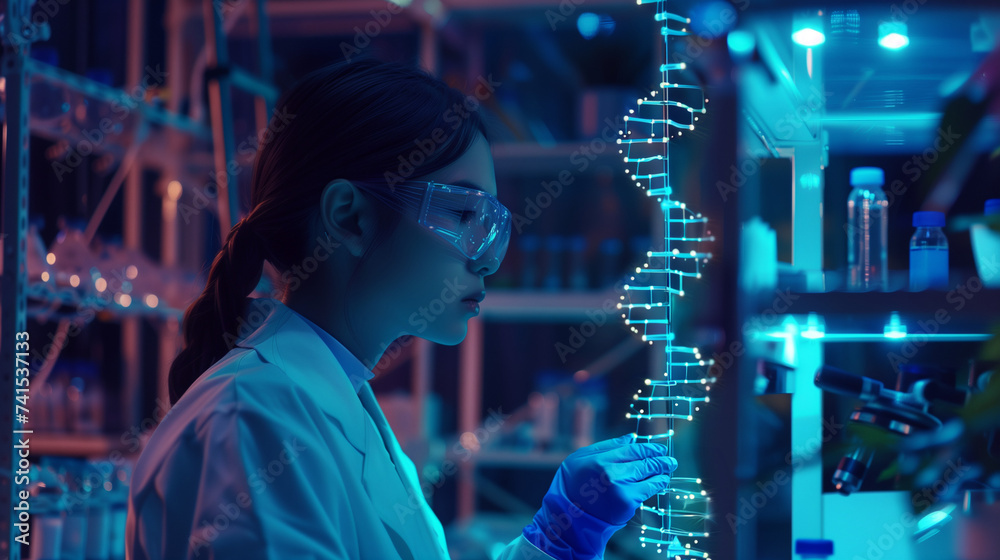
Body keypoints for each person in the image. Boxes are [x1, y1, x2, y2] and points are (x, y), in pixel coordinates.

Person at [125, 57, 678, 560]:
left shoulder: (336, 401)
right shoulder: (254, 419)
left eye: (492, 226)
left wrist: (559, 537)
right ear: (351, 218)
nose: (486, 261)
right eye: (462, 215)